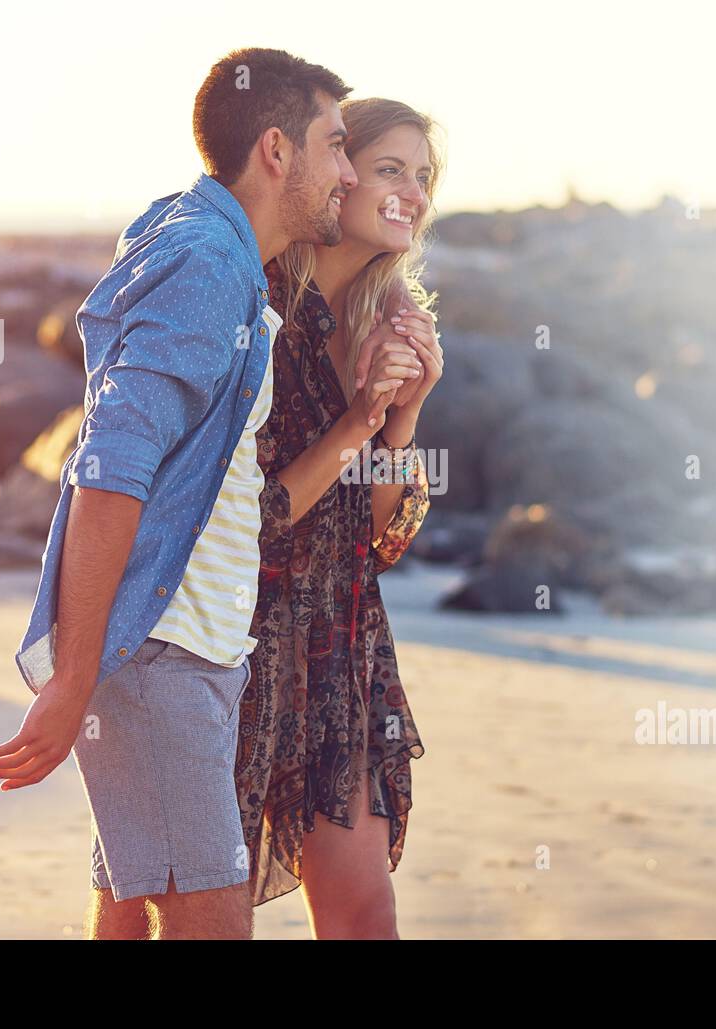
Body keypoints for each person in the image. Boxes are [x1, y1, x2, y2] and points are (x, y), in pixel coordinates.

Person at [0, 47, 370, 940]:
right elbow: (109, 468)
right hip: (162, 649)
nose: (347, 171)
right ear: (277, 151)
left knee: (128, 915)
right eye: (336, 145)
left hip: (196, 651)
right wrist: (74, 677)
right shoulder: (204, 264)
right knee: (211, 921)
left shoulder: (216, 256)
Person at [237, 97, 445, 938]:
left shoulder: (387, 319)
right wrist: (358, 418)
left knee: (364, 909)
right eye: (391, 168)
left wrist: (404, 416)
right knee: (163, 907)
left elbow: (379, 541)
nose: (412, 193)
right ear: (339, 170)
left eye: (425, 177)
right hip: (233, 644)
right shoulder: (257, 307)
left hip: (337, 649)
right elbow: (252, 522)